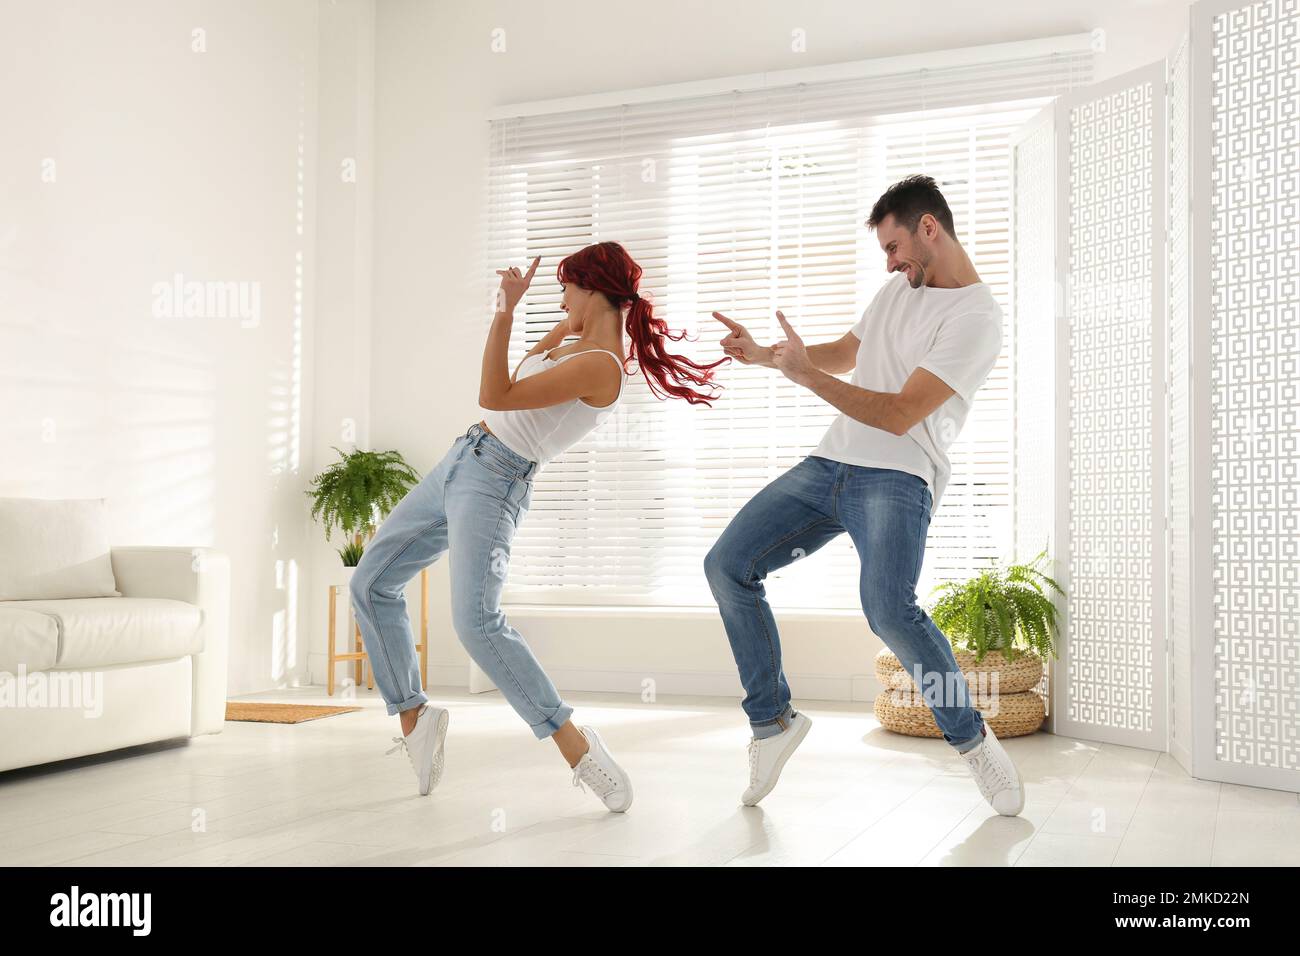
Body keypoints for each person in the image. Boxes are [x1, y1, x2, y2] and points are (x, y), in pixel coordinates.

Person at [352, 240, 724, 811]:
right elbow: (509, 387)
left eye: (567, 289)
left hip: (495, 481)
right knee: (371, 582)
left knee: (476, 624)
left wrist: (504, 310)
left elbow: (494, 391)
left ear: (594, 289)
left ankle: (577, 748)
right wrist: (521, 318)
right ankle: (415, 719)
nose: (562, 301)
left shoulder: (599, 367)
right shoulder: (574, 343)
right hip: (462, 458)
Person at [706, 174, 1024, 815]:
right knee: (728, 566)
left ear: (928, 228)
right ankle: (773, 724)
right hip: (829, 464)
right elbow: (848, 352)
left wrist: (800, 378)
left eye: (894, 246)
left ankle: (973, 742)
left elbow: (902, 413)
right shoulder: (896, 290)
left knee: (888, 610)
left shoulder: (976, 318)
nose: (890, 261)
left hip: (898, 476)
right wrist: (770, 356)